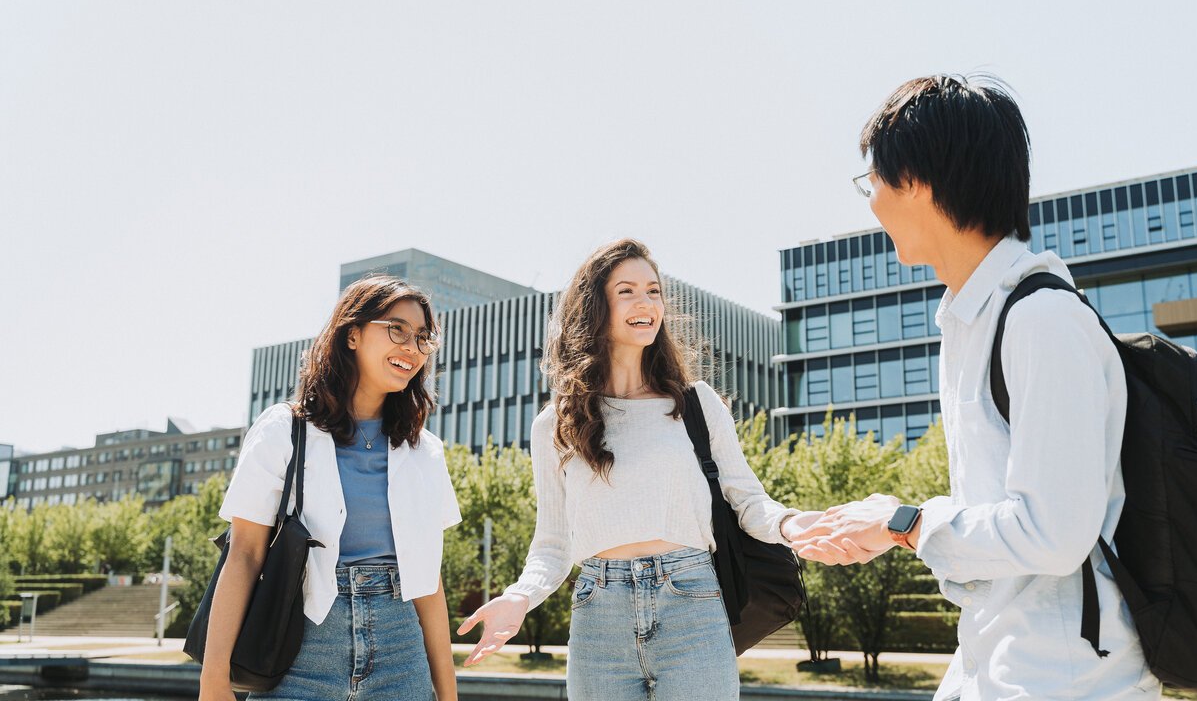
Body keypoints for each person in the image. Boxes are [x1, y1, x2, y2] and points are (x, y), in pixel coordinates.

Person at [790, 75, 1161, 700]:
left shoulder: (1041, 319)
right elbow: (1003, 543)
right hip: (996, 665)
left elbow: (1055, 533)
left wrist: (904, 522)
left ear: (917, 180)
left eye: (873, 180)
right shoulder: (970, 322)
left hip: (1066, 681)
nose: (872, 201)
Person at [457, 238, 820, 700]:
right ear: (595, 307)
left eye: (653, 290)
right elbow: (553, 544)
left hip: (692, 601)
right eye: (626, 290)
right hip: (598, 613)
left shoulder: (696, 404)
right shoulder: (556, 423)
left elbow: (748, 501)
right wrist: (519, 596)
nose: (646, 301)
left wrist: (794, 524)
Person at [199, 275, 460, 701]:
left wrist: (447, 695)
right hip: (299, 655)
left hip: (401, 657)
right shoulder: (285, 429)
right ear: (353, 334)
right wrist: (212, 682)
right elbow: (244, 554)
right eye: (397, 329)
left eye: (422, 338)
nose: (412, 348)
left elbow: (429, 582)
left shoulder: (424, 451)